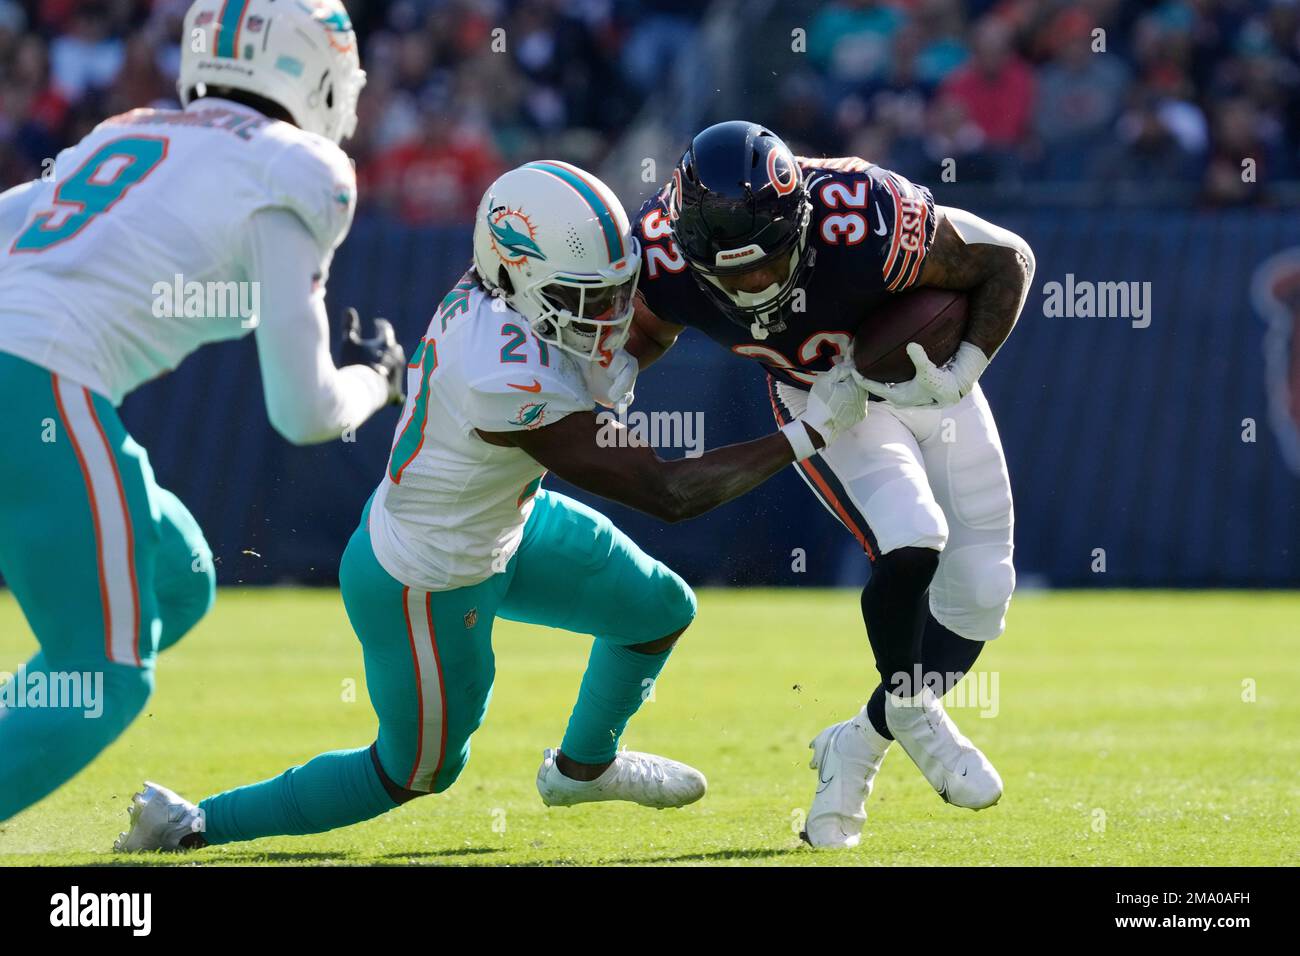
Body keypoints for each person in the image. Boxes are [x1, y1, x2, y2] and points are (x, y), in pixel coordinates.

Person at [113, 159, 871, 852]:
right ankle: (194, 823)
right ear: (518, 278)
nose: (611, 312)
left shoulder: (511, 292)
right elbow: (666, 492)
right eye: (589, 299)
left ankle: (583, 768)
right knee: (416, 770)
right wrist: (807, 432)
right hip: (429, 577)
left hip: (506, 522)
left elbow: (624, 345)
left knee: (658, 609)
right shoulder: (501, 372)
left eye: (618, 290)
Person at [0, 0, 406, 824]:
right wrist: (380, 380)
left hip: (35, 376)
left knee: (176, 577)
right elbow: (304, 408)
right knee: (108, 671)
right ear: (318, 73)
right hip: (37, 379)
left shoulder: (127, 132)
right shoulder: (294, 167)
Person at [626, 121, 1036, 848]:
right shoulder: (658, 251)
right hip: (823, 401)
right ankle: (911, 712)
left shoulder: (861, 210)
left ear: (802, 222)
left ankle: (863, 741)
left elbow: (1008, 259)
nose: (752, 287)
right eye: (732, 273)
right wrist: (613, 379)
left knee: (982, 591)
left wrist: (964, 368)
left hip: (924, 381)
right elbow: (646, 331)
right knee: (913, 538)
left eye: (764, 264)